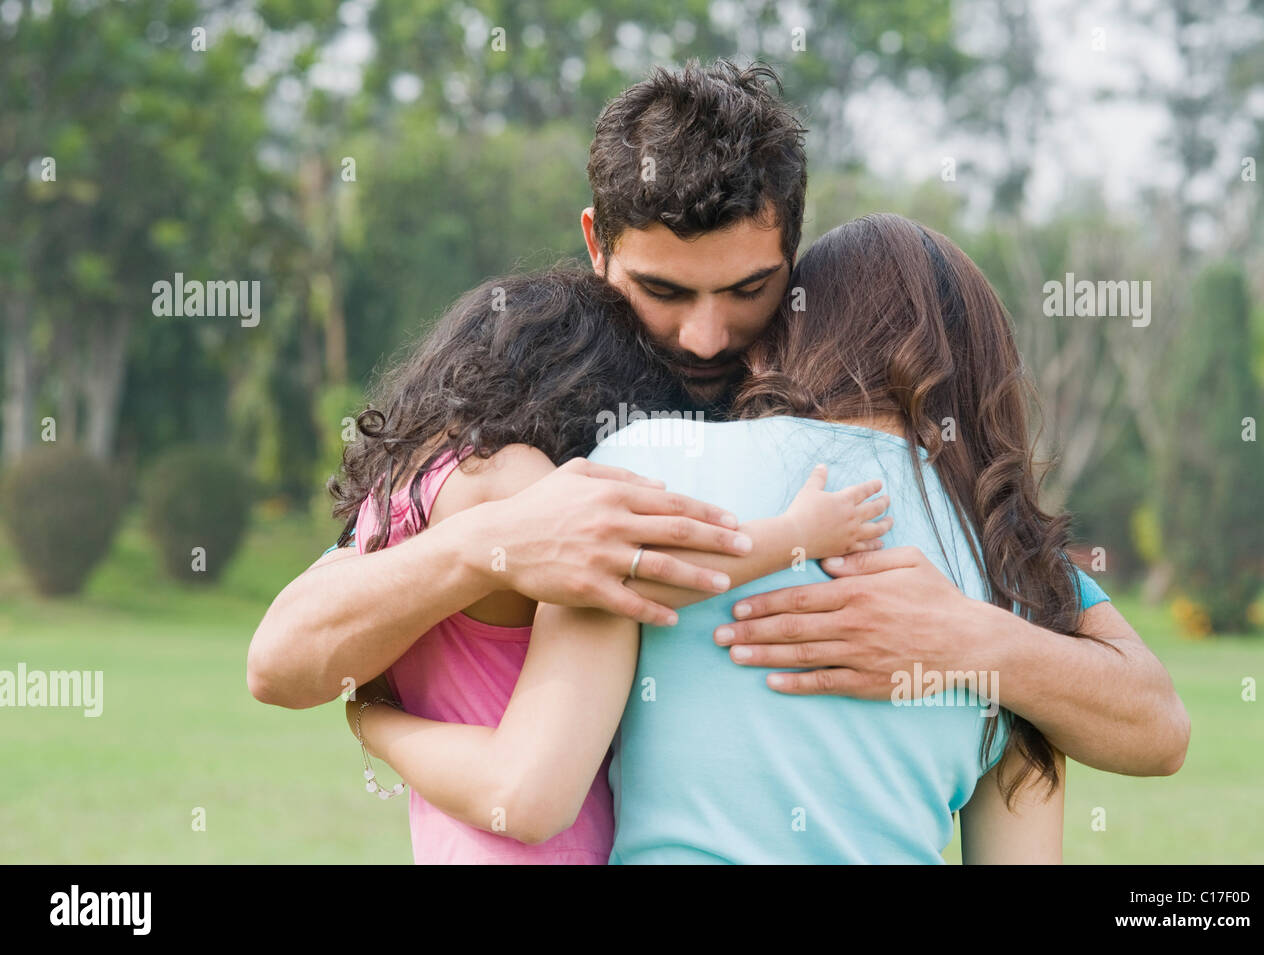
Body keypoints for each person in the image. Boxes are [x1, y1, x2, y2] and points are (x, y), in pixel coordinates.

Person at [248, 59, 1189, 788]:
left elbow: (1154, 723)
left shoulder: (843, 422)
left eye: (749, 289)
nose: (705, 335)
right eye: (662, 290)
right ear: (594, 242)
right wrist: (498, 541)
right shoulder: (538, 392)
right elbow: (282, 659)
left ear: (795, 249)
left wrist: (965, 641)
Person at [349, 214, 1109, 863]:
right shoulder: (1017, 575)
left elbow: (528, 786)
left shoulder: (640, 470)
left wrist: (375, 721)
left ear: (798, 325)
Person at [334, 266, 887, 862]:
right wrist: (796, 534)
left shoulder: (388, 509)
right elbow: (635, 571)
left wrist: (373, 718)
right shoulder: (520, 480)